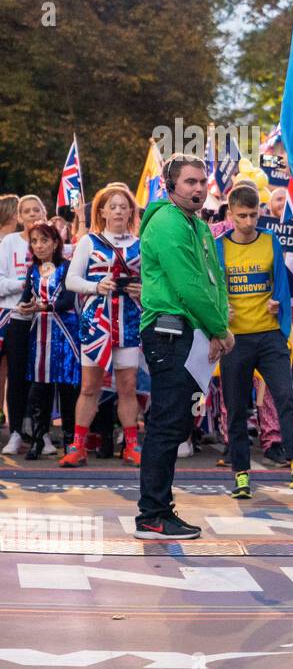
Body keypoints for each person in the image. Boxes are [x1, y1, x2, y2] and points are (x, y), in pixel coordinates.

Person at [134, 154, 235, 540]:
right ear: (170, 185)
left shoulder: (197, 224)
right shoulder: (166, 223)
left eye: (202, 181)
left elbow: (214, 280)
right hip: (169, 333)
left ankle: (160, 509)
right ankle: (152, 516)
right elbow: (188, 284)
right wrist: (221, 329)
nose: (198, 188)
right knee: (166, 424)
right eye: (190, 181)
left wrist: (215, 328)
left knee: (177, 423)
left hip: (191, 335)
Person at [215, 184, 293, 497]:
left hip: (269, 335)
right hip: (235, 340)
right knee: (235, 408)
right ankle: (241, 474)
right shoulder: (219, 246)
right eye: (242, 216)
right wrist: (222, 310)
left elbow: (281, 286)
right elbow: (211, 286)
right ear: (230, 214)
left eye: (253, 215)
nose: (248, 222)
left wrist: (277, 303)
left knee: (286, 397)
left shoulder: (271, 241)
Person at [60, 184, 144, 467]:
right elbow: (71, 281)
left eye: (124, 206)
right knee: (89, 386)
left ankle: (131, 445)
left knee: (128, 385)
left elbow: (154, 282)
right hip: (97, 321)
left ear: (131, 210)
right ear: (102, 212)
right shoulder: (88, 242)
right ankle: (78, 446)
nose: (119, 210)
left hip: (129, 319)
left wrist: (142, 291)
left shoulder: (140, 244)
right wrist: (97, 286)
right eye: (113, 206)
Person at [18, 221, 80, 460]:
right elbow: (25, 299)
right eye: (34, 241)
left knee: (67, 390)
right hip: (41, 336)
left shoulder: (67, 268)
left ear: (55, 243)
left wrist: (43, 306)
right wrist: (25, 307)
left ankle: (69, 440)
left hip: (65, 335)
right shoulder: (33, 271)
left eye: (44, 240)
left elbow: (67, 301)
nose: (39, 246)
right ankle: (37, 439)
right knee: (39, 390)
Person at [1, 194, 53, 455]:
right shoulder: (9, 242)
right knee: (17, 376)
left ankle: (42, 433)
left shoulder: (52, 242)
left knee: (43, 378)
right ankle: (16, 433)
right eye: (27, 211)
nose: (32, 214)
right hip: (16, 318)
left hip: (46, 320)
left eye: (37, 210)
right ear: (19, 217)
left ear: (44, 212)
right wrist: (22, 286)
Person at [0, 194, 21, 436]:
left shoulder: (25, 241)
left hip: (15, 311)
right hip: (5, 309)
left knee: (8, 366)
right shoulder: (5, 243)